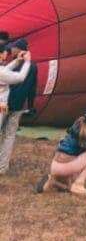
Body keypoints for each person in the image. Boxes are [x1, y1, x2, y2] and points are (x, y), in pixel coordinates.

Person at [36, 105, 86, 196]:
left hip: (55, 165)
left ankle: (54, 180)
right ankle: (78, 184)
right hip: (65, 166)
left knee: (73, 151)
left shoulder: (79, 122)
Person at [0, 39, 37, 174]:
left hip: (6, 106)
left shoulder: (8, 66)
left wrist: (19, 61)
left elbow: (12, 74)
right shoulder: (33, 67)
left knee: (8, 136)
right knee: (9, 136)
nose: (9, 51)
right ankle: (2, 167)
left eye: (12, 48)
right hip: (16, 106)